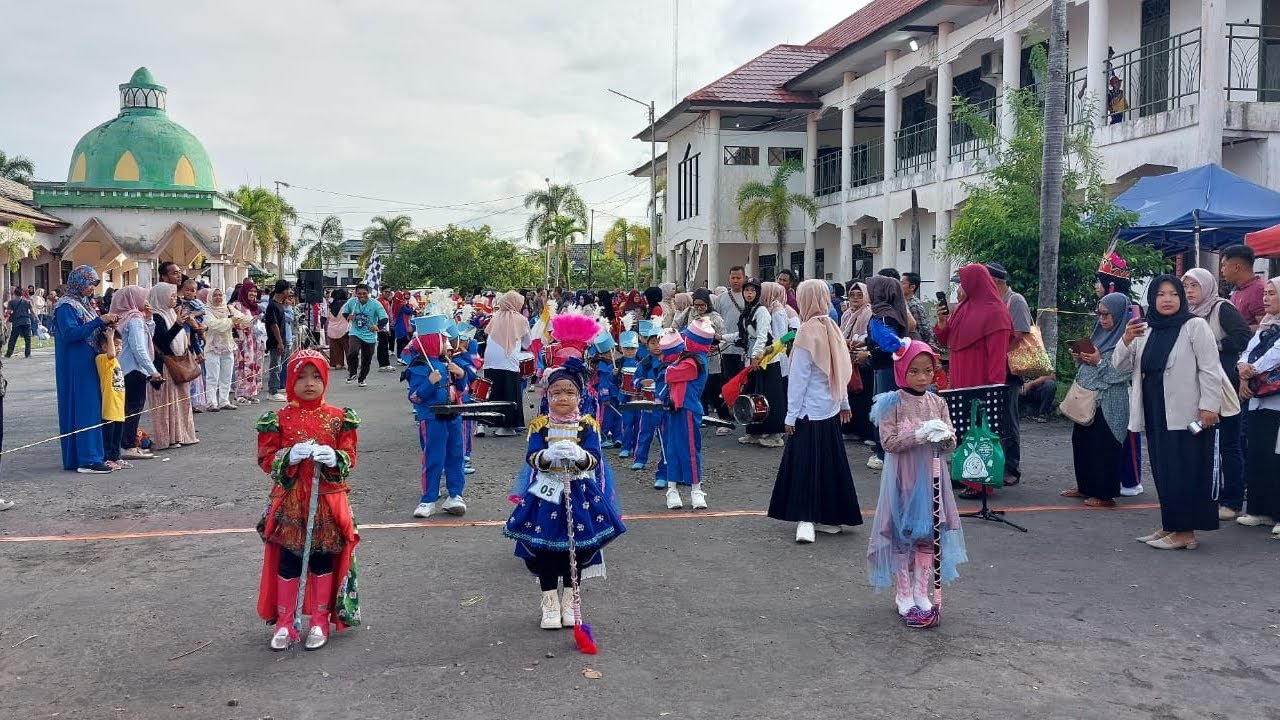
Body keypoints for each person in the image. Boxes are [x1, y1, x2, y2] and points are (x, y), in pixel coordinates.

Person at [503, 360, 626, 630]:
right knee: (544, 548)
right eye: (556, 392)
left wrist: (581, 456)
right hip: (546, 495)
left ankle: (571, 600)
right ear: (547, 396)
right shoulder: (540, 426)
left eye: (570, 392)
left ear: (579, 397)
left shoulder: (588, 426)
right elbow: (531, 457)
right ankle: (549, 602)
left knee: (578, 548)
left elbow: (595, 457)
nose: (563, 398)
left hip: (580, 493)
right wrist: (546, 456)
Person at [255, 350, 361, 651]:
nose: (309, 383)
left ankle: (318, 619)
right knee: (288, 560)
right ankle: (285, 622)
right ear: (290, 380)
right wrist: (288, 455)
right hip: (291, 502)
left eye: (316, 377)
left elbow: (350, 458)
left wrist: (334, 457)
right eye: (301, 377)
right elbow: (266, 459)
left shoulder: (339, 418)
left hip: (326, 503)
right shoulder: (278, 418)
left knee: (322, 559)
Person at [1114, 276, 1224, 550]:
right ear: (1152, 299)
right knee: (1164, 471)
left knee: (1183, 471)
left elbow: (1210, 370)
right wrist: (1126, 339)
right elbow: (1120, 367)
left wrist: (1209, 406)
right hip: (1155, 410)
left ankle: (1185, 532)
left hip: (1188, 413)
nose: (1167, 299)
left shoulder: (1194, 327)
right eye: (1161, 294)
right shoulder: (1145, 329)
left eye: (1174, 294)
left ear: (1181, 299)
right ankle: (1170, 525)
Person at [867, 340, 967, 629]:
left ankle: (921, 591)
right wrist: (919, 435)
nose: (922, 378)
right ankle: (903, 593)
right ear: (901, 370)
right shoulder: (892, 402)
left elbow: (951, 442)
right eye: (914, 371)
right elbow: (888, 443)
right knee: (902, 534)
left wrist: (944, 437)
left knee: (928, 535)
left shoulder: (938, 402)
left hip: (932, 477)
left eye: (927, 371)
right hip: (903, 479)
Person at [768, 279, 862, 543]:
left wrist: (790, 415)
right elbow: (841, 370)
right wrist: (843, 402)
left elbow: (799, 379)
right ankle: (830, 517)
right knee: (830, 466)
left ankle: (806, 519)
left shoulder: (807, 331)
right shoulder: (832, 326)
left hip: (808, 412)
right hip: (830, 409)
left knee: (806, 466)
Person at [932, 264, 1013, 498]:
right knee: (962, 428)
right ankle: (966, 474)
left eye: (963, 283)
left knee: (980, 430)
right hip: (960, 377)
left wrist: (993, 388)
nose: (960, 288)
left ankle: (981, 483)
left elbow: (998, 354)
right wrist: (941, 322)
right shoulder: (963, 308)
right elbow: (948, 340)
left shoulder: (995, 312)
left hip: (981, 381)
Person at [1183, 268, 1252, 521]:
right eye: (1186, 286)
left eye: (1194, 286)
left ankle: (1232, 501)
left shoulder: (1221, 308)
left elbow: (1243, 336)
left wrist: (1213, 347)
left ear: (1207, 287)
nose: (1189, 291)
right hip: (1195, 389)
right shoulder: (1185, 314)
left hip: (1223, 388)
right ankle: (1204, 495)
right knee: (1196, 438)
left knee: (1227, 444)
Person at [1062, 293, 1132, 507]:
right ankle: (1085, 486)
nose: (1102, 319)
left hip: (1109, 403)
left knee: (1104, 447)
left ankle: (1104, 494)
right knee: (1083, 443)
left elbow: (1119, 374)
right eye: (1099, 314)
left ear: (1119, 315)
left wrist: (1099, 360)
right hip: (1088, 400)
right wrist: (1080, 358)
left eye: (1107, 315)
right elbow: (1089, 368)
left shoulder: (1129, 339)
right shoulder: (1099, 335)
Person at [54, 265, 117, 473]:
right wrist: (98, 321)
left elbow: (89, 329)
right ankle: (88, 459)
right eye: (89, 283)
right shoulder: (65, 306)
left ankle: (84, 455)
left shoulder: (85, 304)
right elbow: (70, 334)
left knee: (91, 407)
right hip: (76, 363)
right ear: (79, 282)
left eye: (94, 284)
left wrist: (106, 326)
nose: (92, 288)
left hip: (89, 359)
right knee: (85, 407)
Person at [406, 328, 469, 518]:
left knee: (456, 457)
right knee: (433, 458)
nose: (448, 345)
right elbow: (415, 397)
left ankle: (455, 495)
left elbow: (463, 391)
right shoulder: (418, 367)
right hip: (433, 419)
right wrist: (430, 382)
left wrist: (461, 375)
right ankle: (428, 499)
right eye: (443, 341)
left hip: (454, 416)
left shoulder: (449, 363)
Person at [1235, 275, 1280, 535]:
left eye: (1272, 294)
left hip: (1275, 400)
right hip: (1258, 398)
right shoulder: (1266, 324)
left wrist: (1248, 371)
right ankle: (1261, 509)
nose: (1266, 298)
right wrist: (1243, 368)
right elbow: (1248, 350)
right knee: (1259, 454)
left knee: (1276, 457)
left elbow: (1274, 356)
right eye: (1266, 293)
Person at [985, 262, 1030, 484]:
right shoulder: (991, 302)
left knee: (1009, 420)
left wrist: (999, 351)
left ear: (994, 282)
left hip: (1009, 369)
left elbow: (1021, 332)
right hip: (992, 368)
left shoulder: (1015, 300)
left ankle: (1012, 468)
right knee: (994, 419)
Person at [658, 321, 711, 510]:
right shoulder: (689, 358)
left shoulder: (695, 361)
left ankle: (696, 489)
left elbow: (670, 375)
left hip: (688, 410)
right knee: (671, 449)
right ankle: (672, 489)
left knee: (689, 450)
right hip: (676, 408)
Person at [865, 276, 911, 470]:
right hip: (885, 367)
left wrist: (867, 352)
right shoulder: (885, 312)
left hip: (886, 367)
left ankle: (884, 453)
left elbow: (890, 346)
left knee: (885, 411)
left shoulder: (885, 315)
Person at [733, 279, 786, 447]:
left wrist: (756, 356)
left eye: (753, 291)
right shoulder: (748, 311)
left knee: (770, 397)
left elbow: (763, 335)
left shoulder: (762, 310)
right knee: (752, 395)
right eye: (746, 290)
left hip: (768, 360)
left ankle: (775, 434)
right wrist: (721, 339)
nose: (749, 294)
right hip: (755, 360)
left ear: (758, 293)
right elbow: (744, 336)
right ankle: (754, 432)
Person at [148, 282, 199, 451]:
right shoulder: (156, 316)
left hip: (179, 360)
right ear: (161, 297)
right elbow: (162, 341)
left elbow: (183, 338)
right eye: (170, 296)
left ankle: (182, 435)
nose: (174, 299)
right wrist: (177, 324)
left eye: (174, 295)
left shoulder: (171, 313)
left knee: (180, 400)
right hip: (165, 364)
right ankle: (167, 438)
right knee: (167, 402)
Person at [110, 286, 159, 461]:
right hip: (134, 370)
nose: (146, 302)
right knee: (134, 408)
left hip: (122, 369)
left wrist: (150, 319)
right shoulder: (135, 319)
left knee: (124, 409)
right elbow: (140, 348)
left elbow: (146, 338)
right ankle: (128, 445)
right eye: (143, 298)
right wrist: (152, 371)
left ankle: (123, 443)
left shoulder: (123, 317)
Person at [482, 290, 532, 436]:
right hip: (508, 361)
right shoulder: (521, 319)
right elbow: (527, 343)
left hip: (490, 361)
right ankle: (507, 425)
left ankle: (488, 422)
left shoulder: (495, 317)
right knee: (509, 391)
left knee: (493, 391)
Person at [841, 281, 876, 444]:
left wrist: (852, 341)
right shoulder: (847, 313)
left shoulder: (868, 312)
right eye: (852, 294)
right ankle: (850, 429)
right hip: (848, 357)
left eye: (859, 294)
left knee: (863, 394)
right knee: (851, 394)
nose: (855, 298)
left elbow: (866, 336)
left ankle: (865, 432)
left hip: (862, 358)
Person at [199, 287, 243, 412]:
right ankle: (211, 402)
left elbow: (242, 319)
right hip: (212, 347)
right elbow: (213, 325)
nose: (218, 298)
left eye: (220, 295)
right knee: (212, 376)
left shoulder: (227, 309)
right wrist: (230, 322)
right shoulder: (206, 311)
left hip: (227, 346)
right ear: (210, 297)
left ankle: (224, 400)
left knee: (227, 375)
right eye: (215, 295)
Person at [714, 267, 748, 428]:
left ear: (744, 278)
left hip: (744, 348)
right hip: (727, 346)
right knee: (728, 380)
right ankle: (727, 411)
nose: (735, 280)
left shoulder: (749, 295)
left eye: (738, 277)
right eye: (733, 277)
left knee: (744, 381)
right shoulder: (721, 298)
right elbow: (716, 319)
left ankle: (743, 409)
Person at [341, 284, 389, 387]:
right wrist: (348, 317)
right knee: (352, 352)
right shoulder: (352, 302)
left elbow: (384, 318)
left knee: (367, 358)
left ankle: (362, 378)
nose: (362, 296)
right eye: (359, 294)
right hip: (355, 332)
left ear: (368, 293)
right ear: (356, 293)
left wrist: (378, 327)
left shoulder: (375, 304)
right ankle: (352, 372)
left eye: (364, 293)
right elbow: (345, 313)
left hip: (370, 335)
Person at [97, 324, 128, 470]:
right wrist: (109, 337)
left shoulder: (115, 361)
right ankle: (108, 457)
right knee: (108, 436)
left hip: (119, 405)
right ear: (104, 346)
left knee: (117, 436)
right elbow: (110, 354)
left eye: (120, 345)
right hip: (109, 406)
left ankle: (116, 456)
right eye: (115, 345)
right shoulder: (103, 358)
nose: (118, 348)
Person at [231, 280, 264, 404]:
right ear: (244, 291)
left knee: (253, 366)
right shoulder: (237, 306)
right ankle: (240, 394)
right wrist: (246, 323)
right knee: (242, 366)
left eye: (255, 292)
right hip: (242, 341)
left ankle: (250, 393)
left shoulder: (255, 306)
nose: (253, 294)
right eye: (251, 291)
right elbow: (233, 322)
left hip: (255, 340)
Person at [1221, 244, 1265, 331]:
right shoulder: (1238, 289)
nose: (1222, 270)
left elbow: (1265, 327)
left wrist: (1237, 331)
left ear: (1236, 267)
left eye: (1224, 265)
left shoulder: (1259, 290)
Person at [616, 330, 641, 458]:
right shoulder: (618, 364)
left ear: (636, 349)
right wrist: (614, 374)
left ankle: (636, 448)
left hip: (639, 398)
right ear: (621, 349)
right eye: (627, 349)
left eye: (632, 348)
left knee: (638, 424)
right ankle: (625, 447)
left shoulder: (641, 362)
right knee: (627, 423)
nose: (630, 351)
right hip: (625, 398)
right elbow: (612, 381)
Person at [264, 280, 290, 401]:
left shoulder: (280, 304)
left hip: (282, 340)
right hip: (275, 342)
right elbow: (273, 325)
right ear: (284, 291)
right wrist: (279, 342)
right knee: (275, 366)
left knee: (279, 365)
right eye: (288, 290)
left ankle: (276, 388)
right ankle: (272, 390)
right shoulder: (272, 306)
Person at [900, 272, 933, 344]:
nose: (899, 286)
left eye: (902, 283)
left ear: (912, 287)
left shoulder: (914, 304)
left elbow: (924, 330)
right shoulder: (904, 301)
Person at [325, 288, 350, 371]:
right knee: (348, 348)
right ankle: (351, 364)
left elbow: (327, 317)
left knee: (336, 348)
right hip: (344, 329)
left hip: (332, 329)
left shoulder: (331, 306)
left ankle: (338, 364)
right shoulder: (346, 304)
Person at [5, 288, 34, 358]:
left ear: (14, 294)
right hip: (26, 321)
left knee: (13, 338)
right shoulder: (27, 302)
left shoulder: (11, 302)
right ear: (22, 294)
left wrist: (7, 318)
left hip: (17, 322)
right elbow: (32, 311)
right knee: (28, 339)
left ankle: (9, 353)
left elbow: (8, 312)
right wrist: (37, 319)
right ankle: (27, 354)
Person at [376, 288, 395, 371]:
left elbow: (389, 314)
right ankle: (384, 364)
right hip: (381, 325)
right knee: (382, 345)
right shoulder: (379, 301)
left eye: (389, 292)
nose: (388, 293)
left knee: (384, 344)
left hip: (386, 325)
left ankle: (384, 364)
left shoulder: (386, 301)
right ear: (381, 292)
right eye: (386, 292)